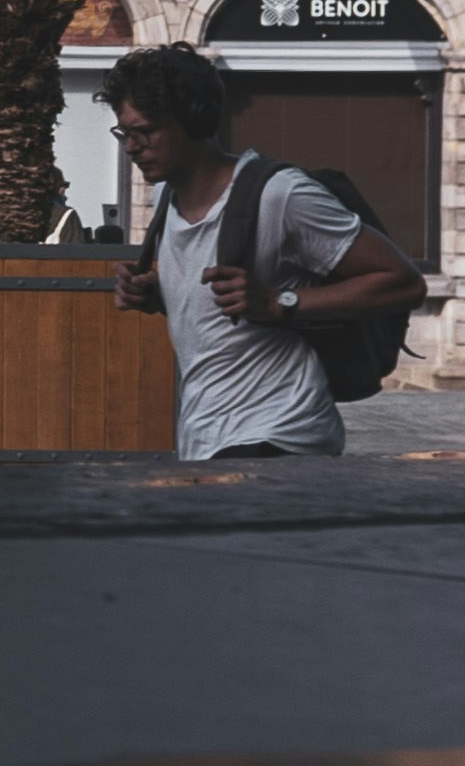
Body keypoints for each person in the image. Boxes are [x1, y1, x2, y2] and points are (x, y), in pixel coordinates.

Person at [105, 42, 412, 464]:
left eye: (145, 131)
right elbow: (215, 311)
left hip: (277, 433)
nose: (131, 146)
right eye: (124, 132)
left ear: (194, 121)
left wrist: (277, 302)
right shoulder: (165, 196)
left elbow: (401, 281)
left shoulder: (279, 194)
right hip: (207, 432)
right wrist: (157, 296)